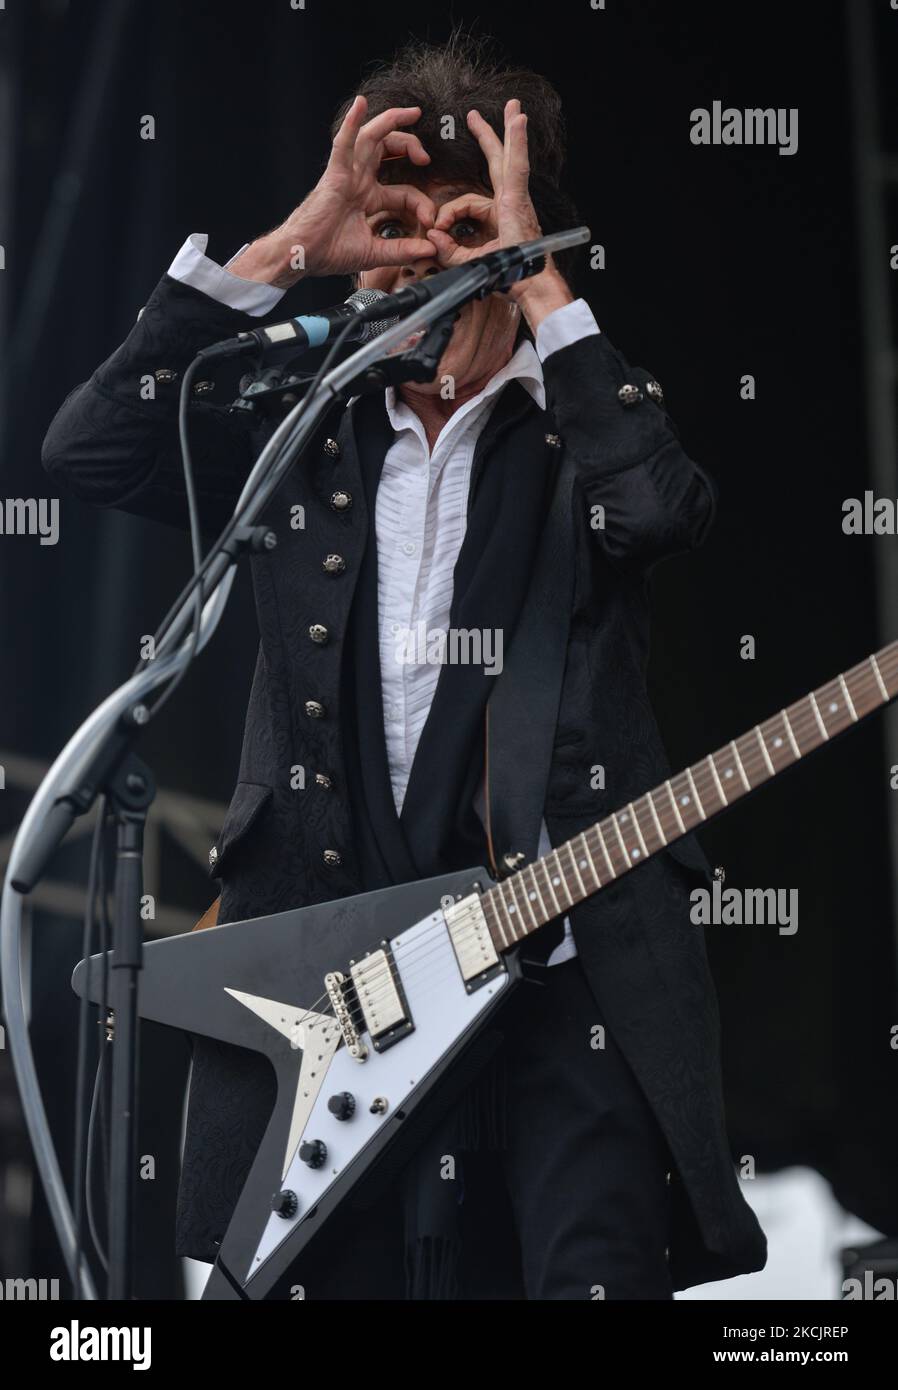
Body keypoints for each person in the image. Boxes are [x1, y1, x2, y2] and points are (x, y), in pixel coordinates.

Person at [42, 32, 766, 1299]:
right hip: (338, 977)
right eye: (398, 224)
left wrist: (539, 285)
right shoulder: (297, 420)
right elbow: (90, 449)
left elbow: (657, 512)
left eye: (464, 225)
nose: (426, 258)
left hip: (562, 966)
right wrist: (289, 250)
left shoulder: (584, 421)